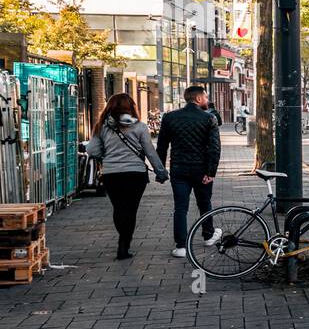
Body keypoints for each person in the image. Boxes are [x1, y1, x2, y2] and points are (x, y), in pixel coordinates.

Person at [84, 93, 168, 260]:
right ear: (131, 107)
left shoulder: (101, 126)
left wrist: (106, 155)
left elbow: (91, 150)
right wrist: (161, 172)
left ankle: (123, 242)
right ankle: (124, 245)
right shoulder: (140, 127)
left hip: (111, 175)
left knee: (119, 208)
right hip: (135, 174)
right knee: (131, 209)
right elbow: (150, 152)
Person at [157, 85, 222, 258]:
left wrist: (160, 170)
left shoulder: (170, 117)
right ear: (199, 99)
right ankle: (208, 235)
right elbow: (215, 148)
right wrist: (211, 172)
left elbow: (162, 146)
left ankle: (181, 246)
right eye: (206, 97)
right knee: (204, 203)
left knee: (180, 207)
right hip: (201, 170)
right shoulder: (209, 119)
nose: (207, 100)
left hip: (178, 169)